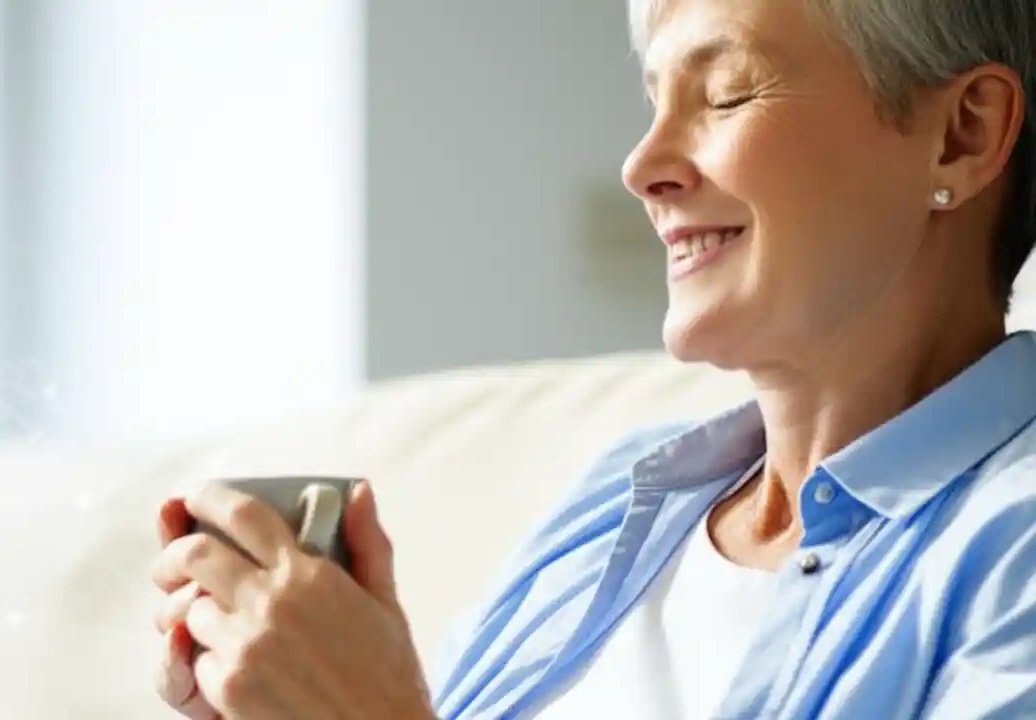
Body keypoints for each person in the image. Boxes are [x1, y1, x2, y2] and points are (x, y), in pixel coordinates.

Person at [149, 0, 1036, 716]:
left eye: (725, 93)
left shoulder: (1012, 547)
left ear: (962, 132)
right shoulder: (626, 503)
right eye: (652, 103)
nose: (641, 164)